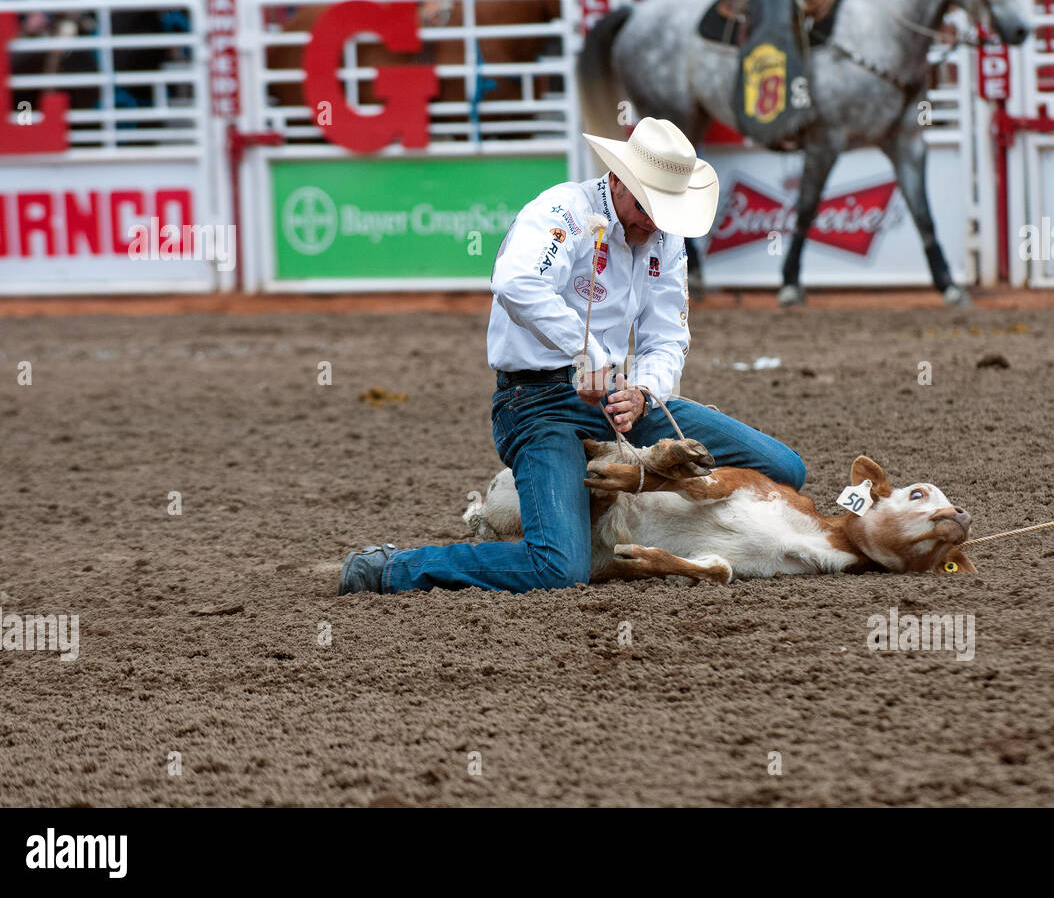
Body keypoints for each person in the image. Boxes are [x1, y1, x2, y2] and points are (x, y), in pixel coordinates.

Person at [339, 117, 807, 596]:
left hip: (622, 399)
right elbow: (517, 282)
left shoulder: (665, 238)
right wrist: (591, 354)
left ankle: (613, 513)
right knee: (558, 570)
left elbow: (667, 336)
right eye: (649, 207)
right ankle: (396, 568)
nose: (655, 222)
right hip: (537, 401)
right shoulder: (563, 211)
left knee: (786, 470)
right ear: (620, 180)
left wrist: (644, 393)